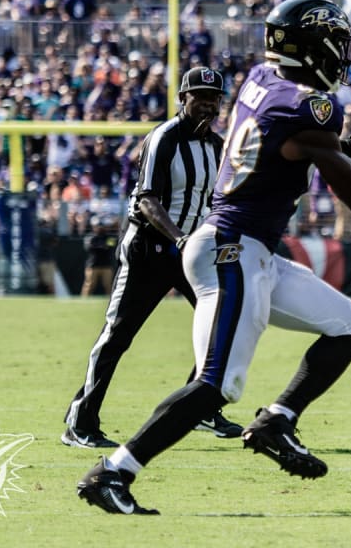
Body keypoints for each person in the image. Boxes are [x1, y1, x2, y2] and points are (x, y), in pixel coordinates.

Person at [77, 0, 351, 514]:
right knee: (216, 386)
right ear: (313, 47)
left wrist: (344, 146)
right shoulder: (312, 109)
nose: (343, 56)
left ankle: (278, 420)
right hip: (232, 250)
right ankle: (112, 473)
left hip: (247, 249)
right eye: (337, 44)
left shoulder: (261, 78)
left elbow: (282, 144)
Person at [63, 67, 244, 449]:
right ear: (183, 98)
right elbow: (147, 199)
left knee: (227, 325)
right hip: (150, 248)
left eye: (214, 99)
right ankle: (80, 420)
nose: (207, 105)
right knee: (117, 335)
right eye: (199, 97)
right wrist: (180, 238)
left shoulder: (217, 146)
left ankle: (202, 408)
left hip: (193, 251)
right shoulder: (164, 138)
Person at [80, 217, 118, 297]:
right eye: (97, 226)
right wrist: (103, 246)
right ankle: (83, 301)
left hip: (106, 265)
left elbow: (111, 246)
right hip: (93, 265)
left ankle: (111, 301)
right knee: (89, 284)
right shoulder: (89, 237)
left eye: (101, 226)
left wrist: (99, 246)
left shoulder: (109, 237)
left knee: (108, 285)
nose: (100, 228)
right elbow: (89, 247)